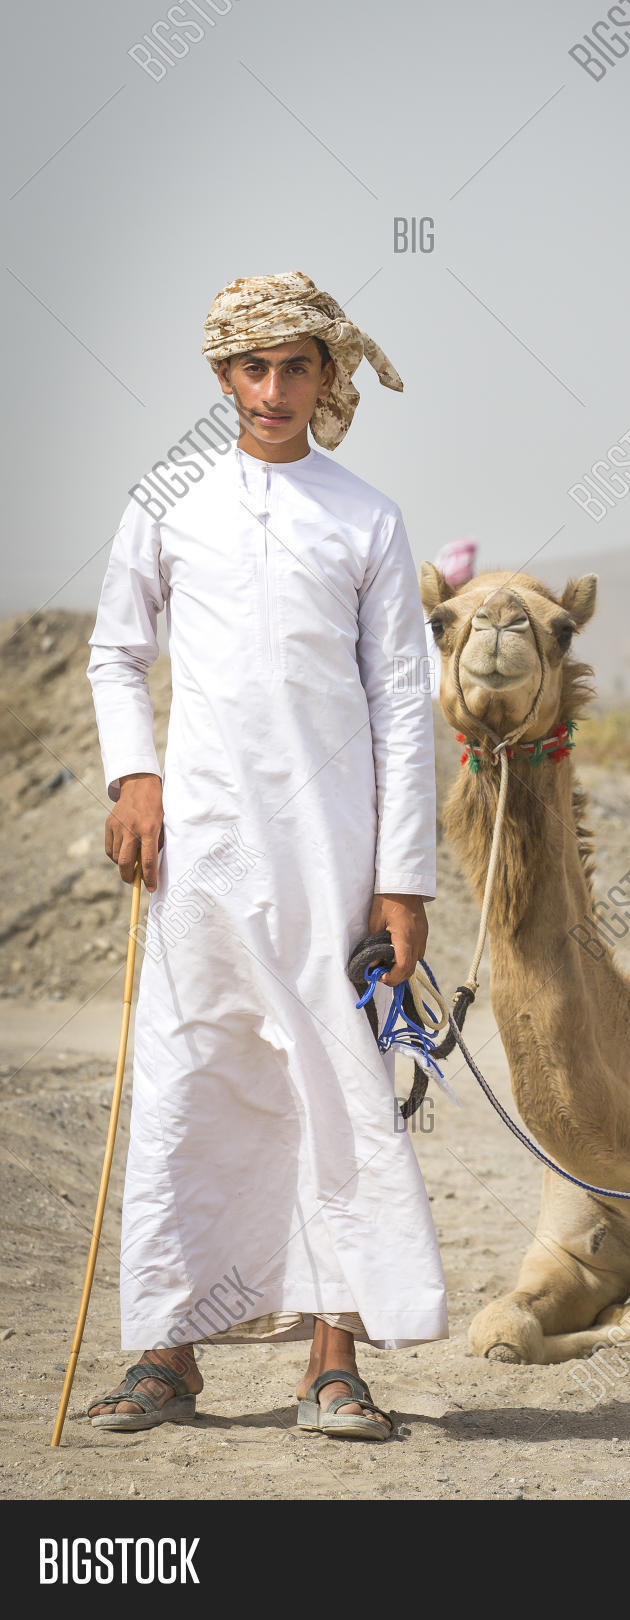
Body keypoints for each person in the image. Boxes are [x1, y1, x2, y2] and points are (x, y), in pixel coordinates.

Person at [84, 271, 446, 1441]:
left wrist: (403, 881)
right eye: (254, 368)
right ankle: (166, 1359)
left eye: (297, 367)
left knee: (336, 1093)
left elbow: (403, 703)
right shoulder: (168, 500)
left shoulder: (366, 518)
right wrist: (134, 776)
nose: (274, 390)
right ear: (222, 377)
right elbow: (114, 650)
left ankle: (334, 1365)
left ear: (326, 377)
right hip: (195, 857)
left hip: (332, 859)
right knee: (191, 1084)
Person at [424, 538, 477, 696]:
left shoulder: (477, 616)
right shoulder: (422, 615)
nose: (457, 593)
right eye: (454, 586)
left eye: (463, 585)